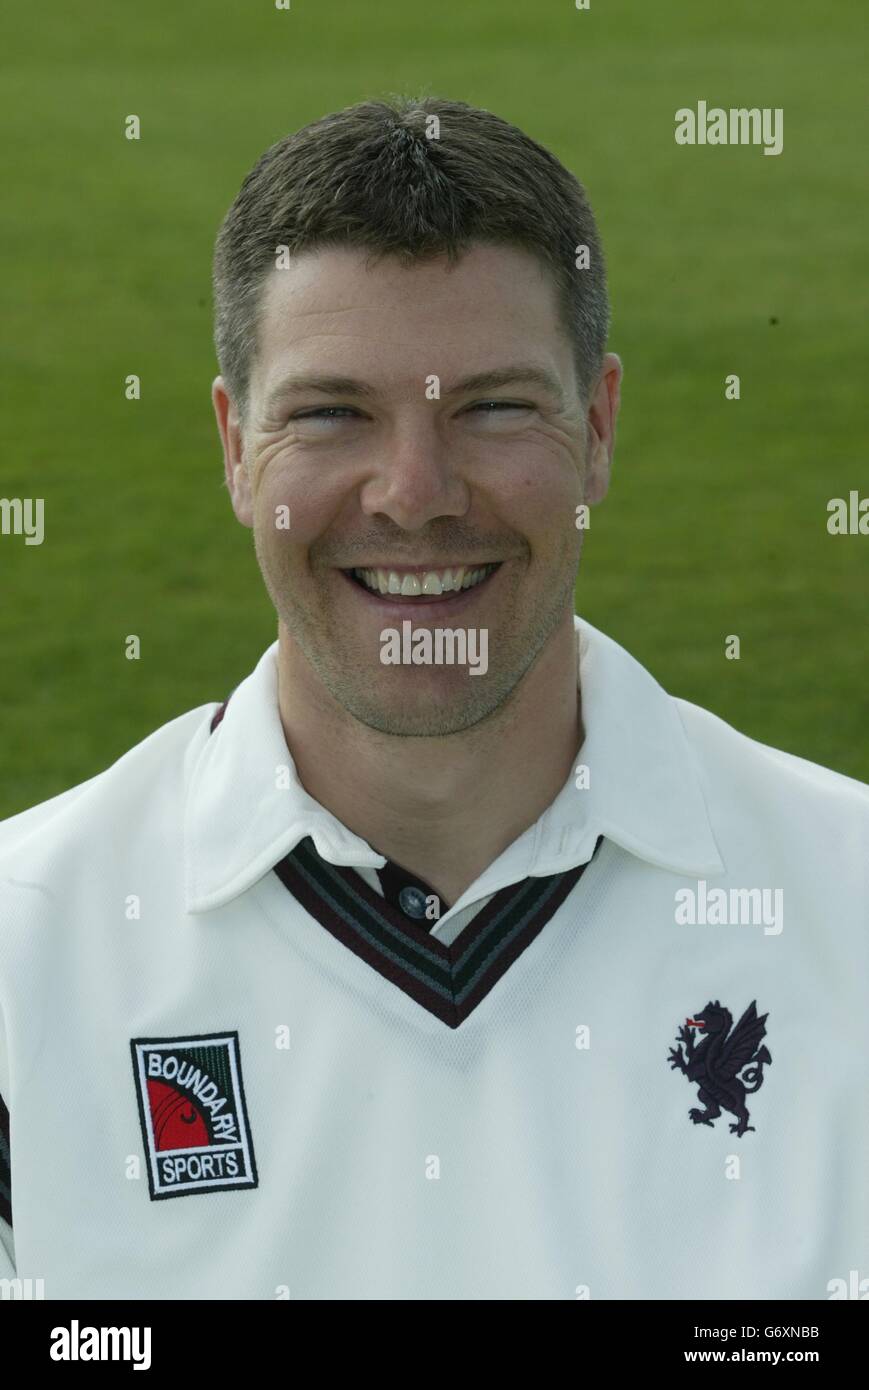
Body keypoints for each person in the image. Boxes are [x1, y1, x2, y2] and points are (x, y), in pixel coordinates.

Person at [1, 96, 866, 1301]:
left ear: (600, 426)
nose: (414, 493)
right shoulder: (25, 947)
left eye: (494, 406)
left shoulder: (848, 907)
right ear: (233, 443)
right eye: (331, 413)